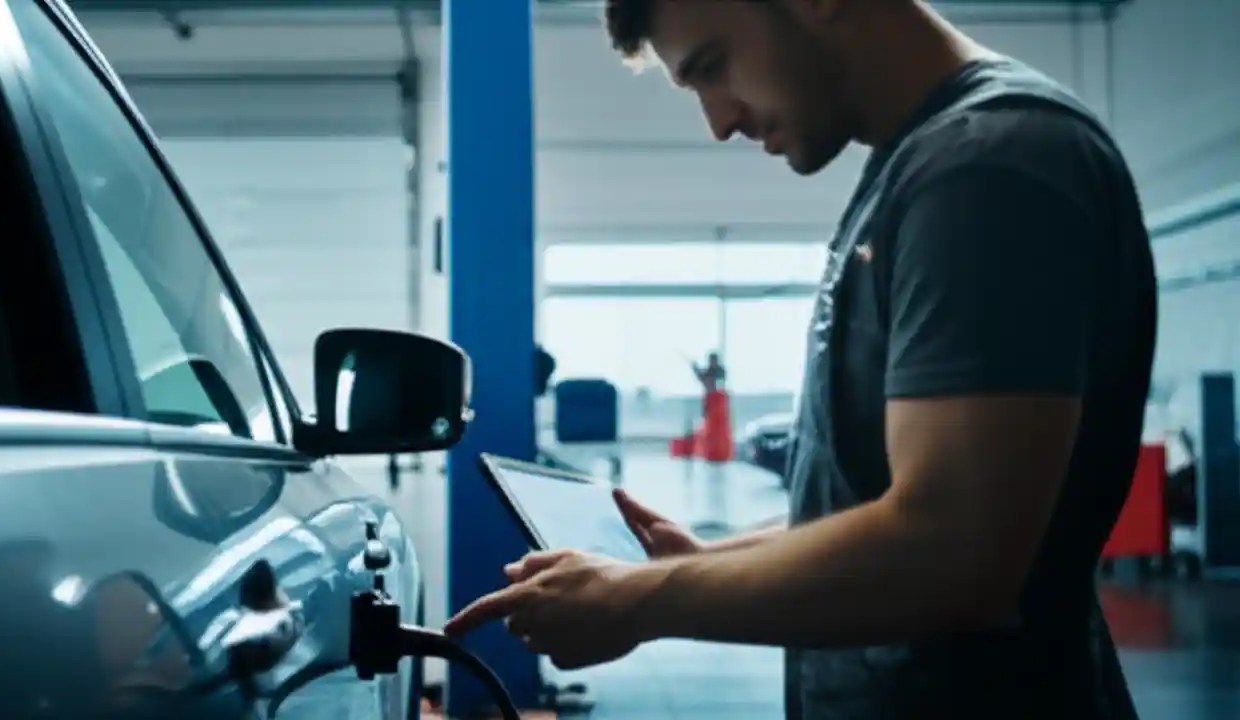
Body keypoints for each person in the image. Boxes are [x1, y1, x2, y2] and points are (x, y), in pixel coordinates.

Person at [446, 1, 1157, 717]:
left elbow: (953, 549)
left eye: (711, 67)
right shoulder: (919, 169)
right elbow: (874, 503)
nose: (718, 121)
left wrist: (638, 600)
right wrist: (699, 563)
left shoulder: (991, 164)